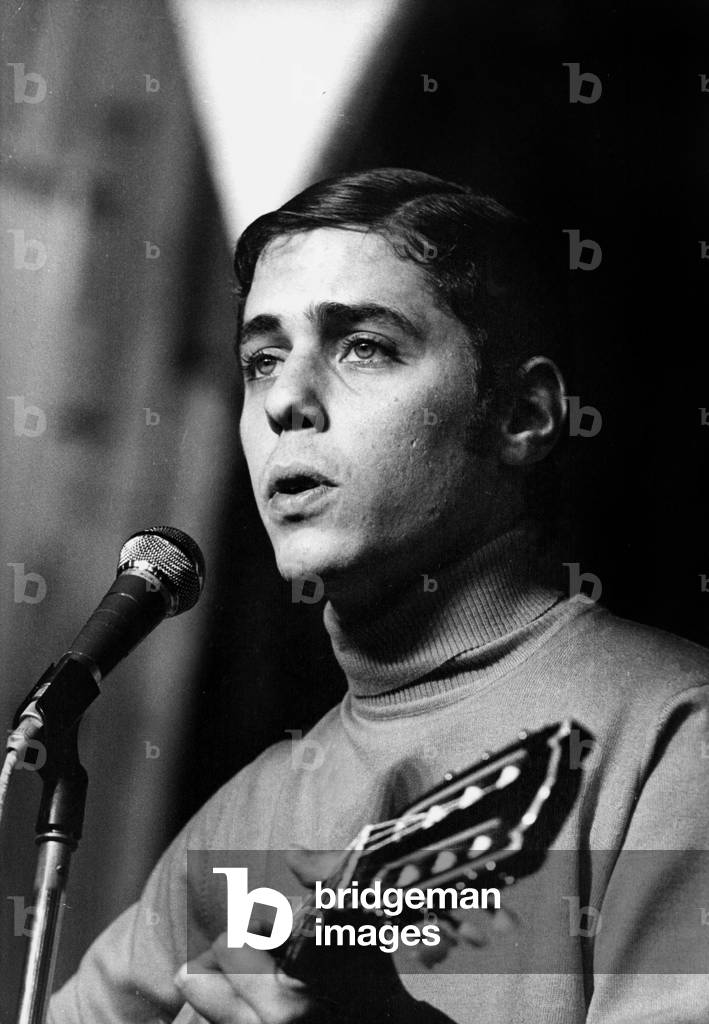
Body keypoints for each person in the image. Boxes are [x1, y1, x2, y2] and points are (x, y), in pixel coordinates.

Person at [49, 168, 709, 1023]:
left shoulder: (674, 736)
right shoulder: (246, 815)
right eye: (261, 359)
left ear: (521, 415)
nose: (286, 398)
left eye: (363, 346)